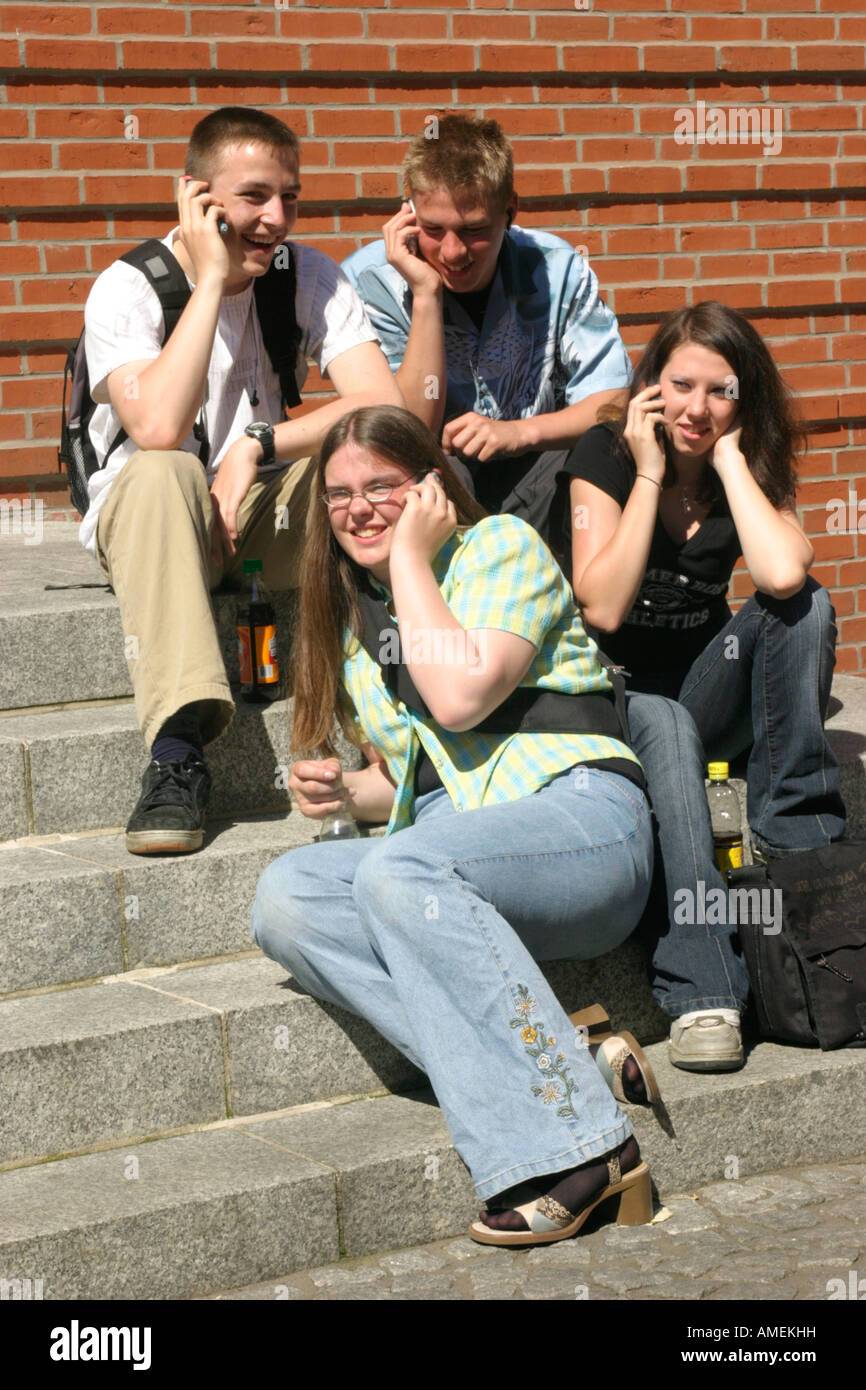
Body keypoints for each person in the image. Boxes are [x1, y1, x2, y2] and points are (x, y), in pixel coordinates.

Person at [251, 404, 657, 1246]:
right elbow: (417, 776)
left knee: (400, 872)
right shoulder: (361, 625)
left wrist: (409, 557)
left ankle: (592, 1151)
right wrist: (347, 793)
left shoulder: (500, 547)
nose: (356, 509)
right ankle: (561, 1058)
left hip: (580, 822)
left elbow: (463, 694)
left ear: (432, 486)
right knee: (286, 896)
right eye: (337, 496)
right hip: (460, 846)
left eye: (381, 488)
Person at [79, 106, 402, 854]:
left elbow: (381, 405)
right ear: (196, 197)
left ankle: (411, 720)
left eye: (290, 196)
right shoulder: (127, 289)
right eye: (255, 196)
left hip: (257, 512)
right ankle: (177, 756)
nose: (277, 218)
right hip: (157, 519)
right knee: (164, 470)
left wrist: (255, 444)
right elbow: (157, 428)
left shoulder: (306, 276)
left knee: (372, 458)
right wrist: (212, 281)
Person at [559, 300, 846, 1070]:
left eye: (720, 390)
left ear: (742, 399)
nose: (697, 407)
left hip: (702, 687)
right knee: (670, 726)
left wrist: (727, 462)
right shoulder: (604, 455)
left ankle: (794, 834)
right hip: (615, 697)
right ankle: (701, 992)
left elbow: (783, 574)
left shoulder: (745, 461)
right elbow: (604, 603)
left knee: (807, 606)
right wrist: (651, 473)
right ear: (652, 385)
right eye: (681, 385)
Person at [341, 113, 630, 543]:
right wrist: (425, 296)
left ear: (510, 210)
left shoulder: (559, 267)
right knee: (427, 472)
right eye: (433, 229)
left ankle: (594, 603)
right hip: (435, 483)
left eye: (474, 230)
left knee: (607, 449)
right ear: (408, 211)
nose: (453, 252)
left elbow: (614, 402)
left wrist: (517, 433)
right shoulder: (371, 280)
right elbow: (408, 431)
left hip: (540, 472)